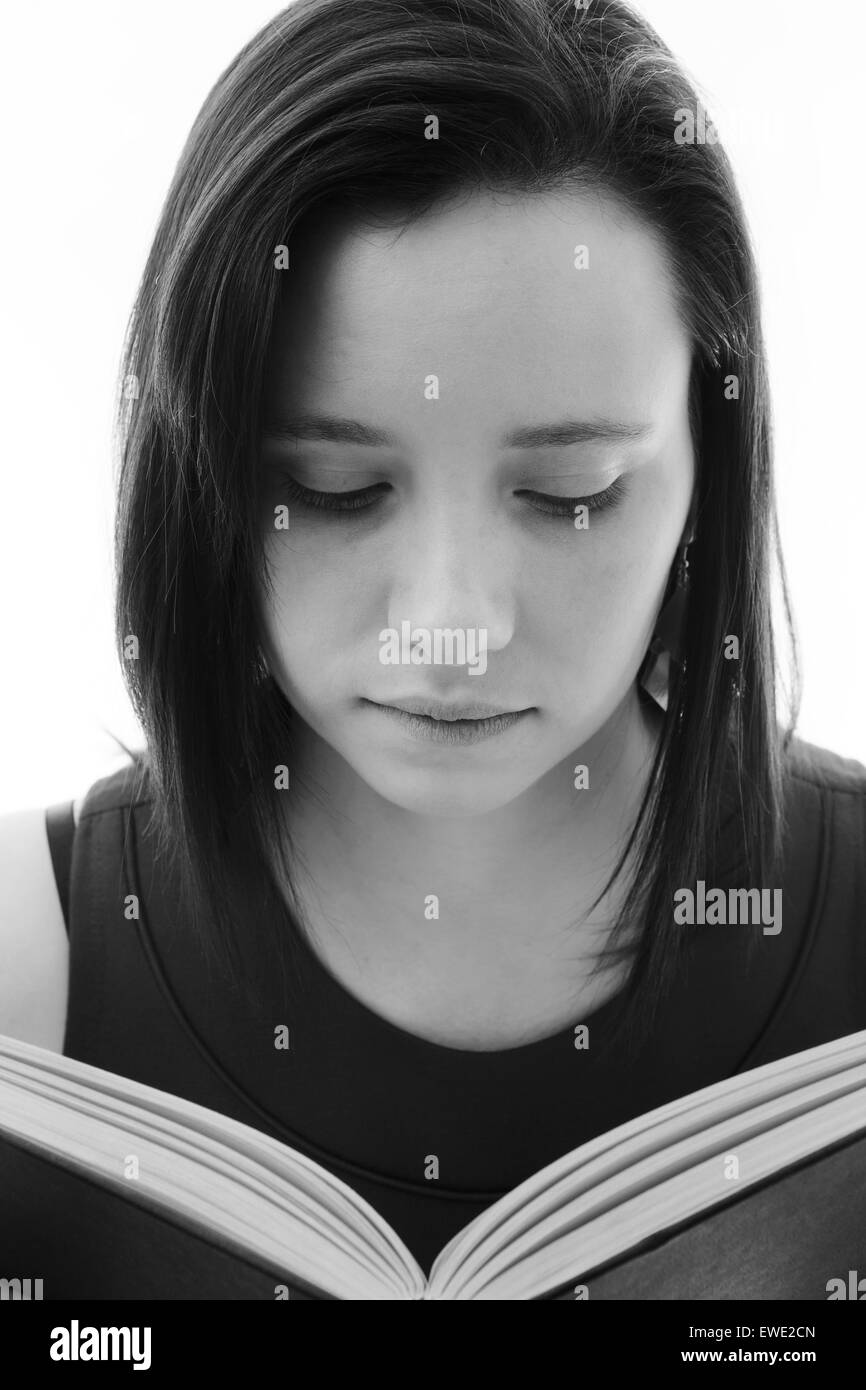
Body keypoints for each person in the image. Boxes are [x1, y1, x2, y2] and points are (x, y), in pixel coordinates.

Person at [2, 0, 864, 1279]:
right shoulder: (29, 956)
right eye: (334, 491)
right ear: (200, 479)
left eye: (570, 493)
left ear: (708, 468)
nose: (452, 629)